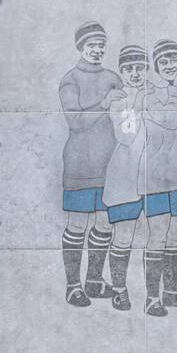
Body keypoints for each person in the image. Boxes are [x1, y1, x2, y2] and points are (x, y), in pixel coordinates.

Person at [58, 21, 124, 307]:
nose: (97, 50)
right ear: (80, 47)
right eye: (91, 45)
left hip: (111, 163)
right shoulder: (70, 79)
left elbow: (125, 118)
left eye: (101, 45)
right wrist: (105, 102)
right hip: (80, 164)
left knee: (106, 224)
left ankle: (94, 282)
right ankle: (73, 286)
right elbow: (75, 121)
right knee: (77, 224)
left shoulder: (113, 77)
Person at [141, 39, 177, 317]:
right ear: (156, 67)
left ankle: (170, 292)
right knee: (158, 234)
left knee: (176, 234)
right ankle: (151, 297)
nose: (170, 65)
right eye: (163, 62)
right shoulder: (150, 94)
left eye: (174, 60)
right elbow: (170, 120)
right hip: (156, 176)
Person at [101, 44, 151, 312]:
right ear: (121, 72)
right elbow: (127, 136)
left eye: (140, 68)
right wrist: (136, 103)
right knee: (124, 235)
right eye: (129, 69)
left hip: (154, 177)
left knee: (157, 237)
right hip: (125, 176)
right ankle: (119, 289)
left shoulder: (157, 97)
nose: (135, 73)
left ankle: (156, 294)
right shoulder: (119, 102)